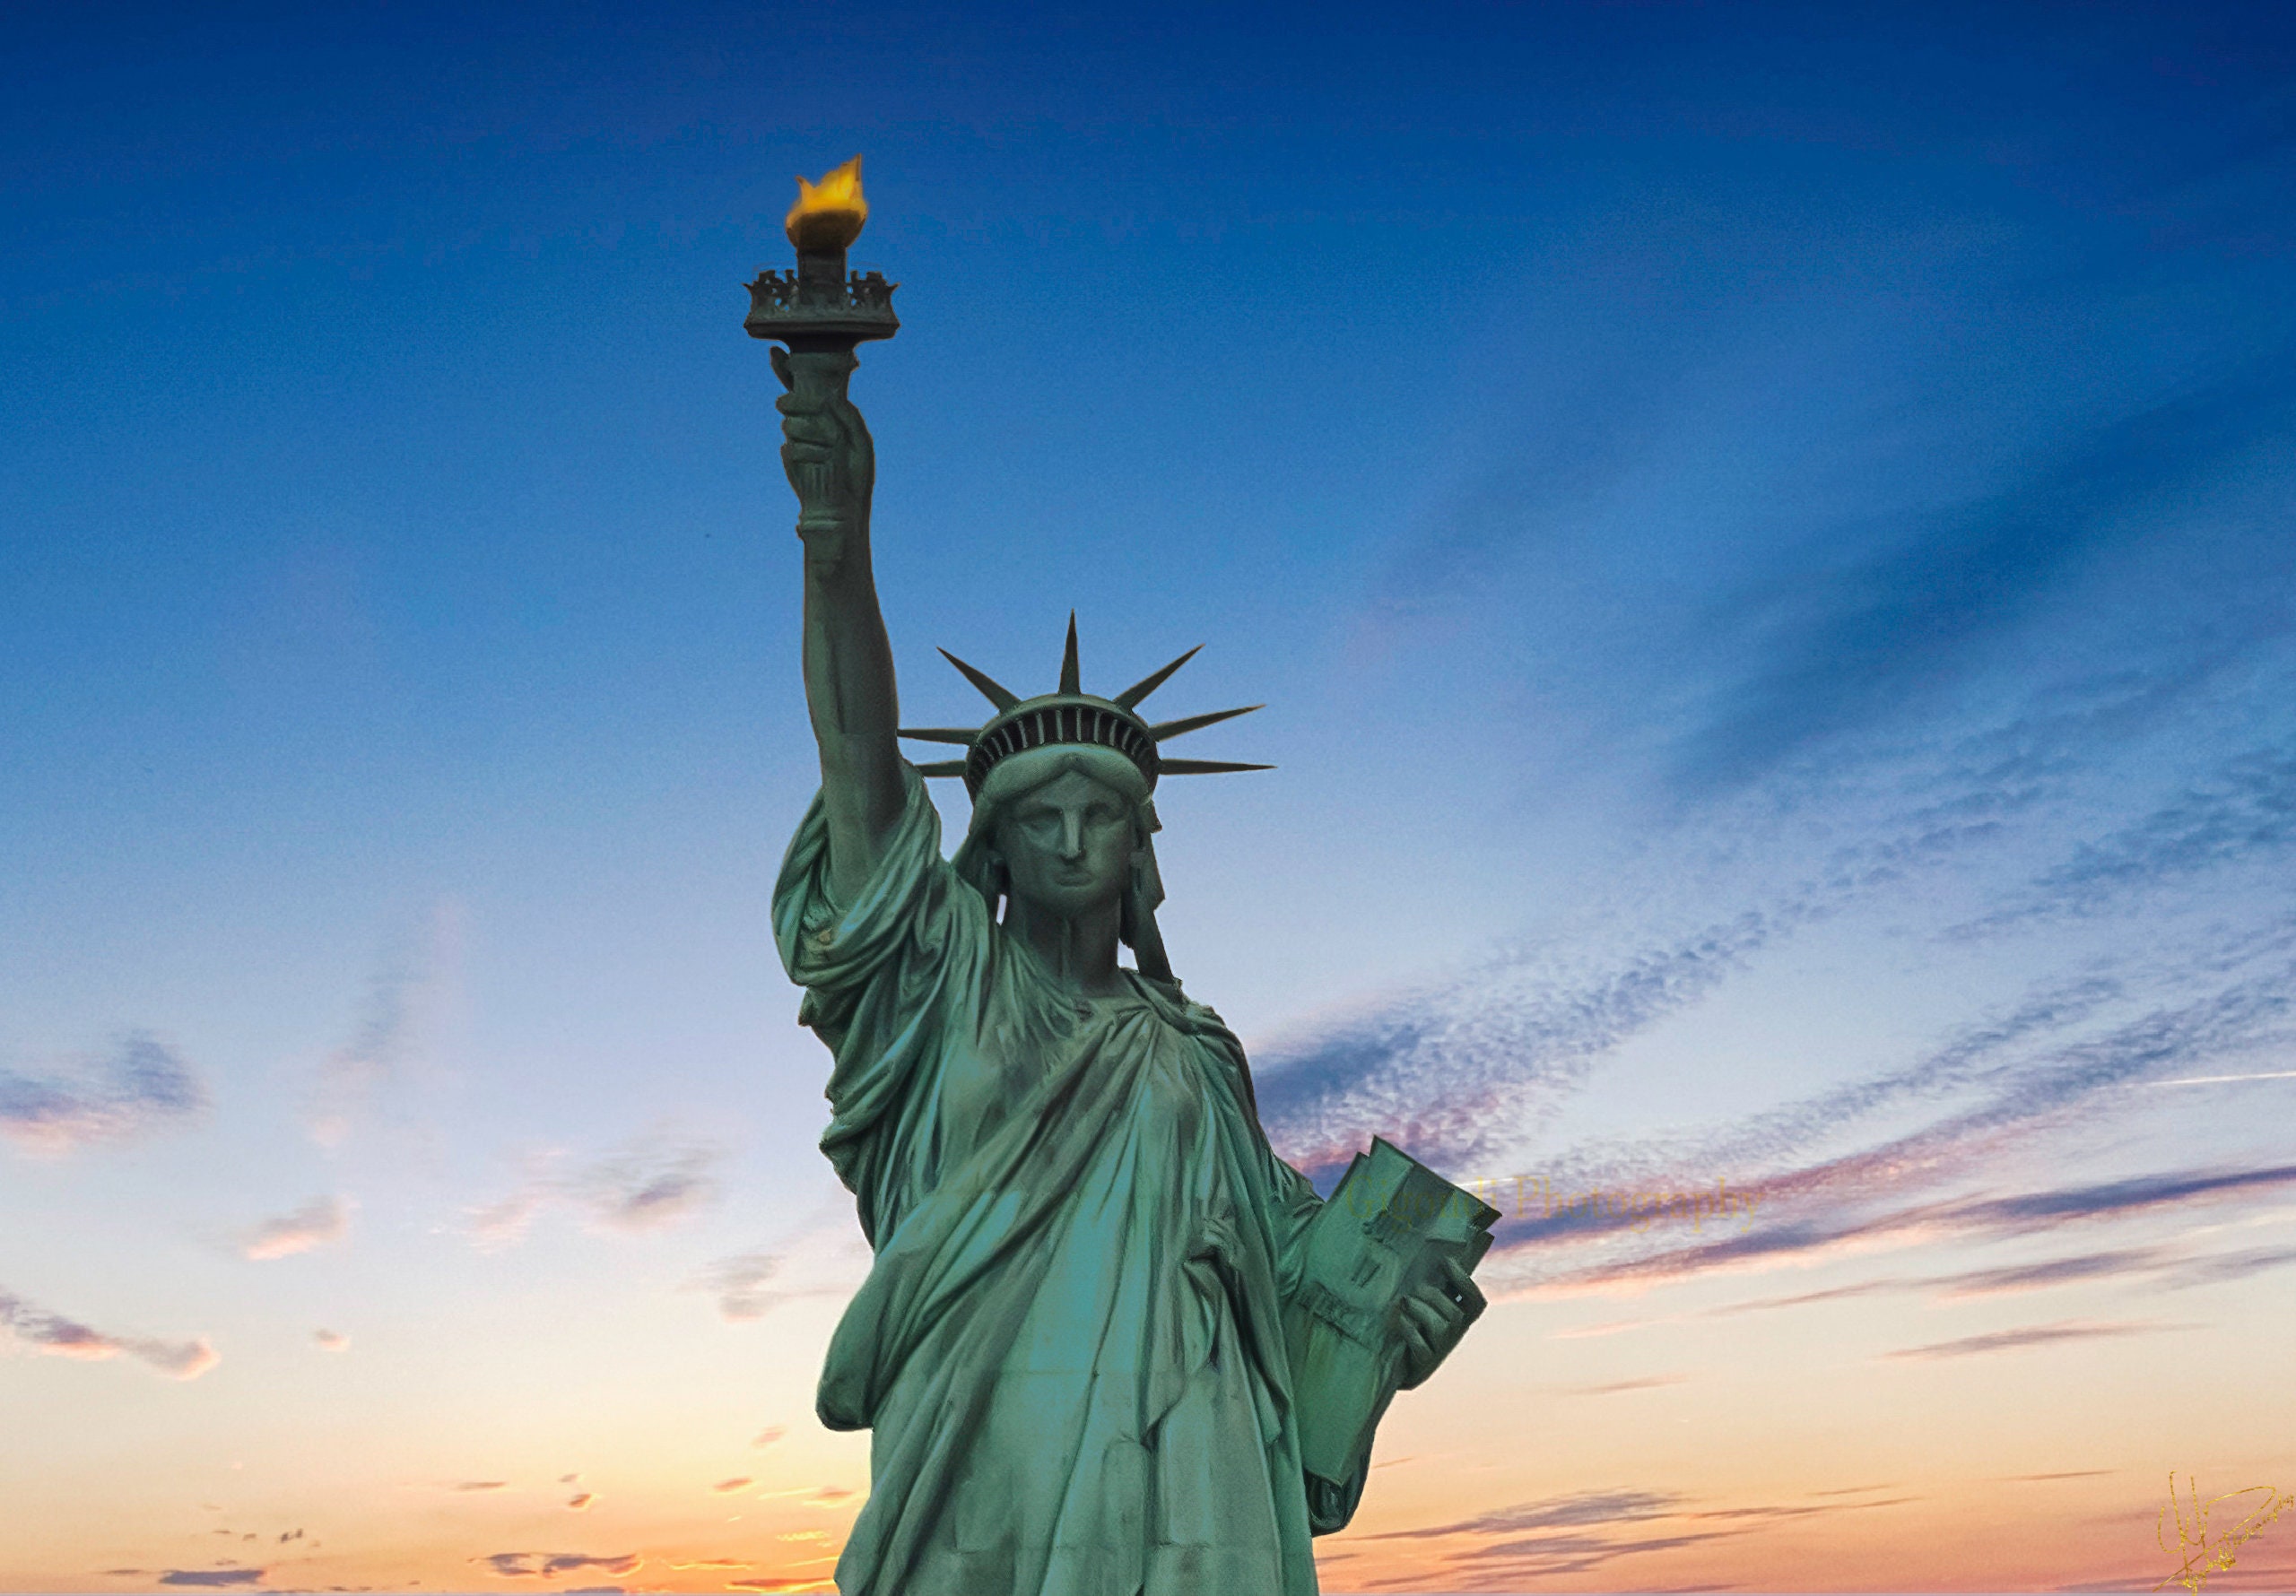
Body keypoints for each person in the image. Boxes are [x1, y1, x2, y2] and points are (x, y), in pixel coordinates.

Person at [767, 344, 1483, 1596]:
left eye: (1098, 815)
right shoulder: (942, 988)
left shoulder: (1192, 1053)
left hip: (1196, 1450)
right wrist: (837, 539)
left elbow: (1288, 1263)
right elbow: (858, 760)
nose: (1068, 838)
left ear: (1139, 849)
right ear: (992, 844)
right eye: (1036, 816)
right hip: (987, 1435)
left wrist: (1390, 1324)